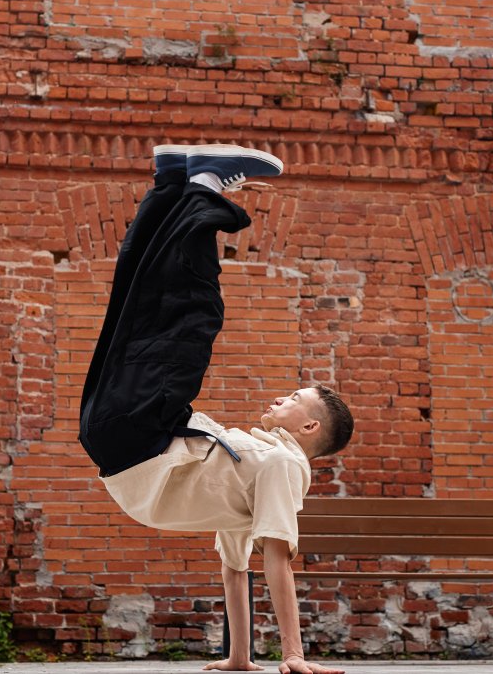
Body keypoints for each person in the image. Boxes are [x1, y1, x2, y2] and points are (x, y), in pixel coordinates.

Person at [78, 144, 355, 674]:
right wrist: (238, 658)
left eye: (295, 399)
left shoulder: (282, 466)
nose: (281, 397)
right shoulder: (247, 480)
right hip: (116, 442)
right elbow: (235, 569)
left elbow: (276, 562)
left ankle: (205, 185)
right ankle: (171, 182)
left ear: (311, 426)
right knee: (135, 303)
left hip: (140, 439)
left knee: (193, 311)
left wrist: (293, 655)